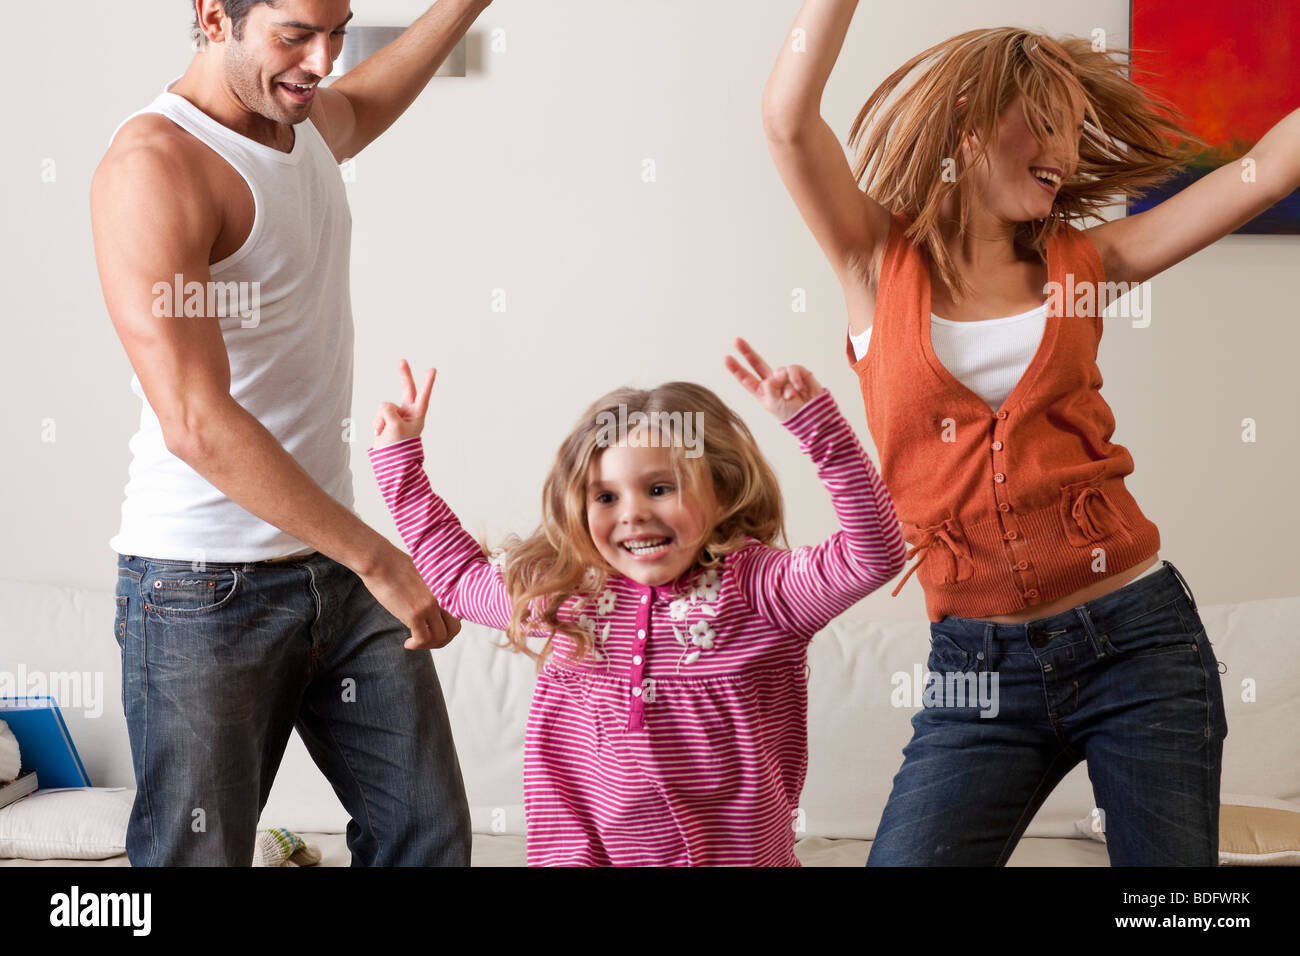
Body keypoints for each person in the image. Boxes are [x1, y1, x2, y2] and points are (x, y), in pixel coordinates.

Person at [762, 1, 1295, 864]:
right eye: (1047, 124)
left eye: (1079, 133)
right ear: (971, 123)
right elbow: (787, 121)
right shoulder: (874, 258)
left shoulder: (1090, 264)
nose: (1070, 154)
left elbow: (1267, 171)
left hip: (1139, 642)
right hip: (976, 665)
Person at [91, 0, 493, 866]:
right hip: (202, 588)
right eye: (295, 35)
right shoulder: (157, 168)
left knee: (426, 837)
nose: (324, 58)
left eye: (338, 28)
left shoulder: (296, 122)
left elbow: (370, 98)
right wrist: (379, 558)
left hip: (331, 567)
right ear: (212, 16)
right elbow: (195, 421)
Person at [365, 345, 908, 865]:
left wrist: (818, 429)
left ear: (720, 487)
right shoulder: (565, 590)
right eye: (606, 497)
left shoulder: (761, 590)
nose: (632, 514)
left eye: (660, 488)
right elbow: (459, 578)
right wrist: (400, 460)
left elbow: (876, 555)